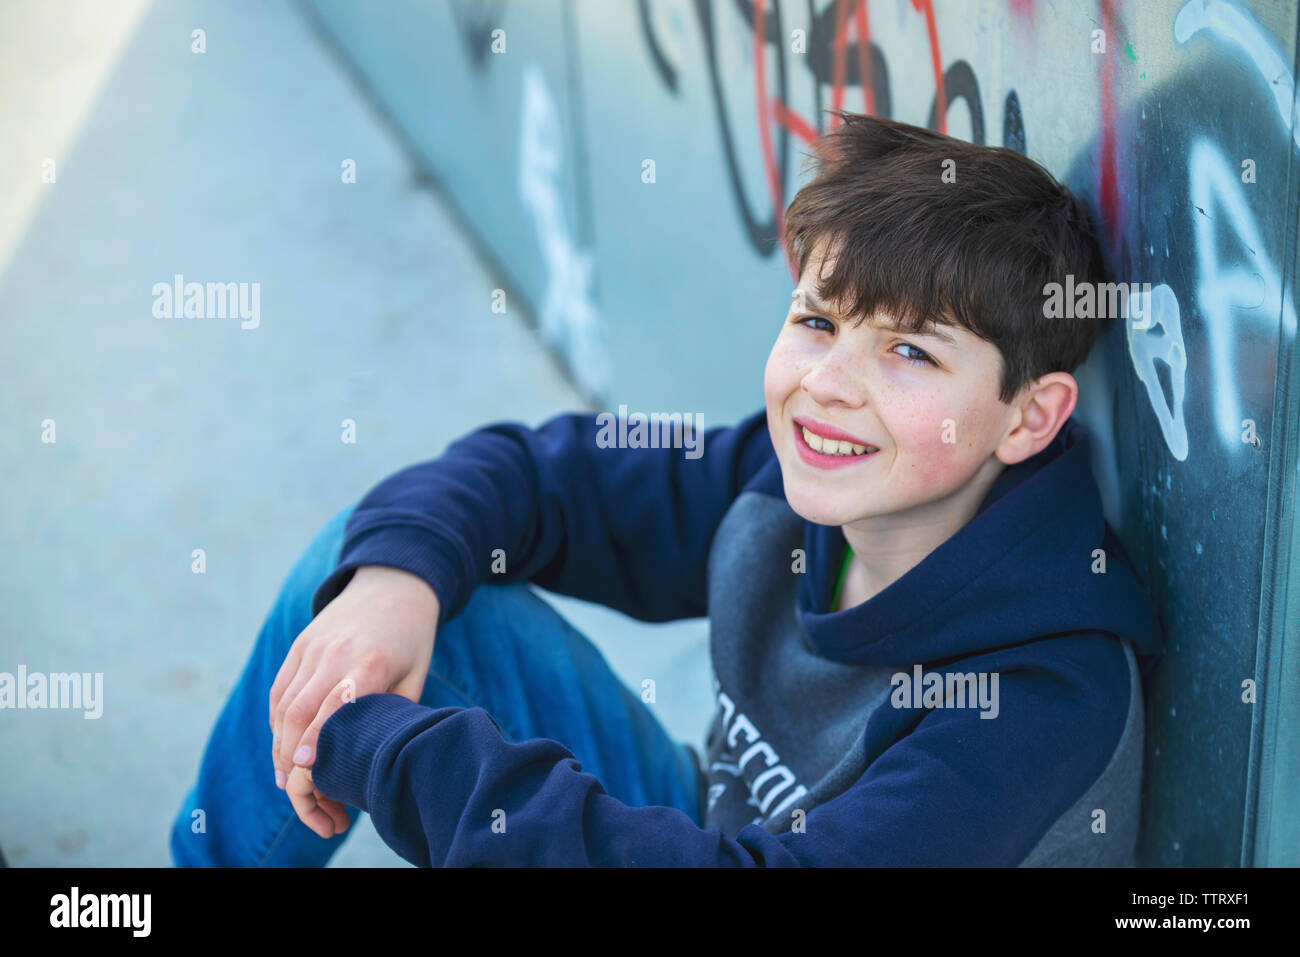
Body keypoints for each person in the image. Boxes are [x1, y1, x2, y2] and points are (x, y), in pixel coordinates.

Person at [171, 112, 1163, 867]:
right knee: (378, 565)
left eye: (907, 350)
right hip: (711, 830)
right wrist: (394, 586)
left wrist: (397, 758)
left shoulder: (1037, 701)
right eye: (818, 322)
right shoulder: (792, 483)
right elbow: (522, 476)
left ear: (1028, 415)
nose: (829, 383)